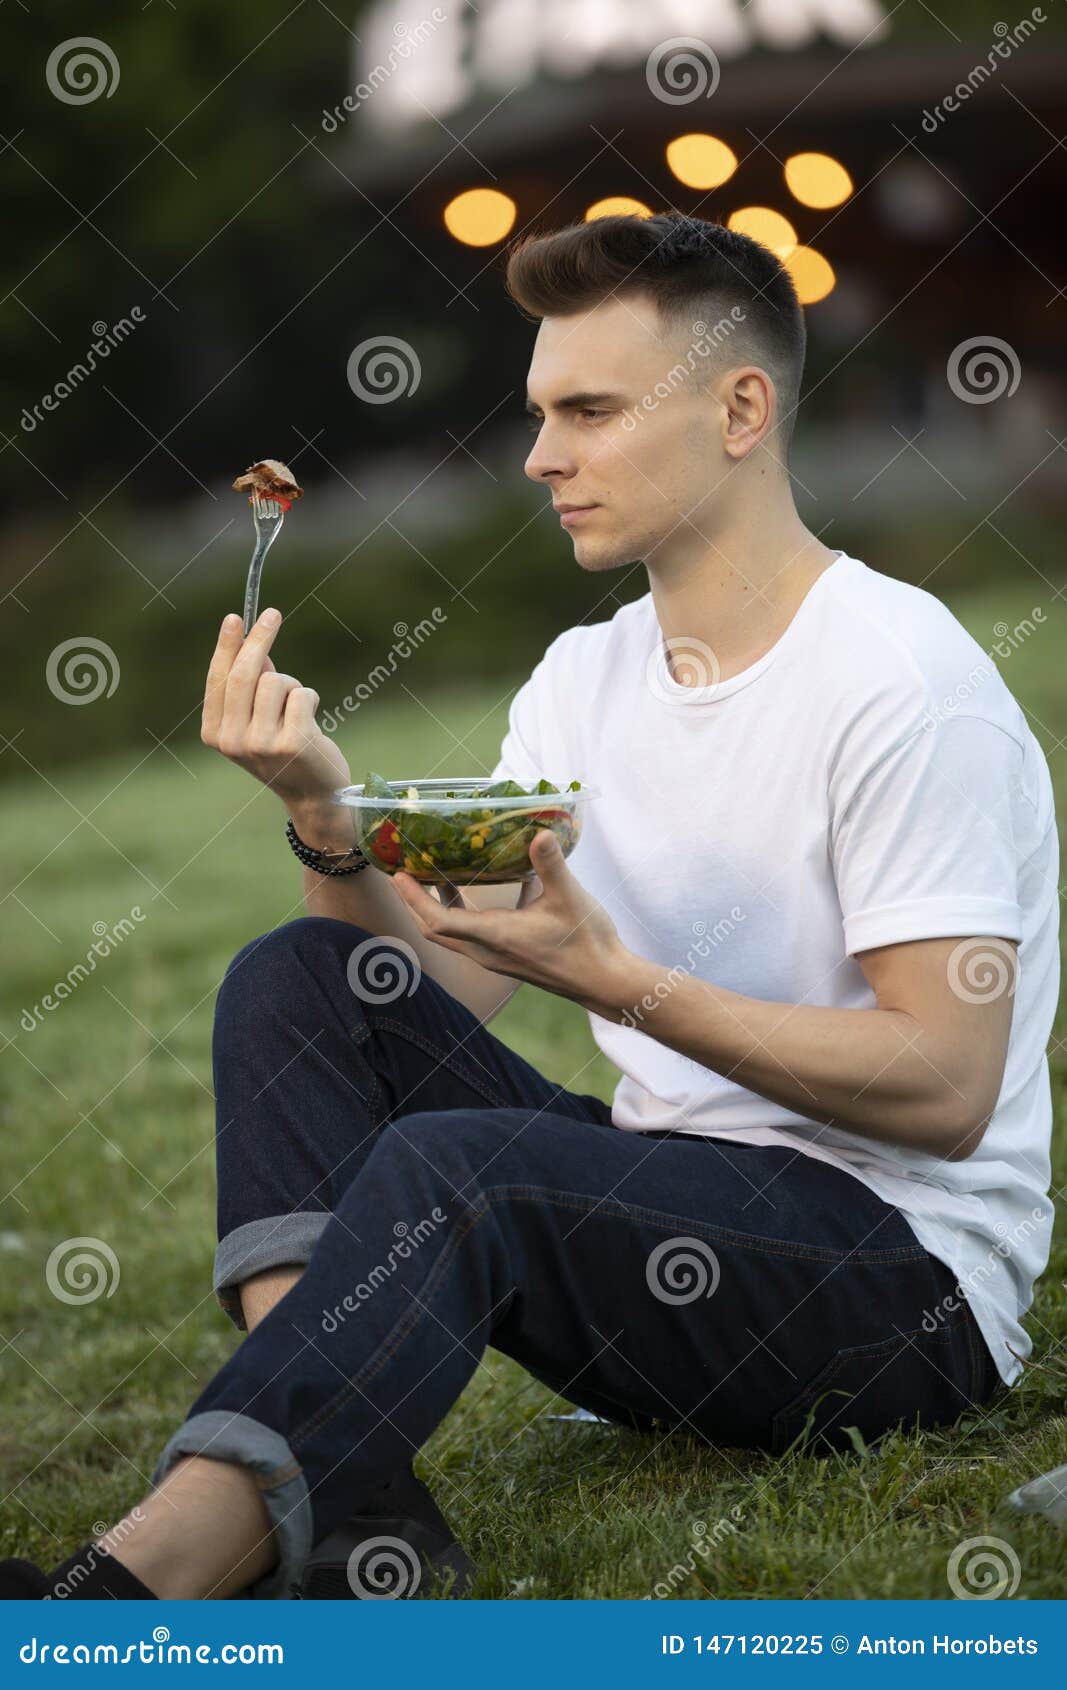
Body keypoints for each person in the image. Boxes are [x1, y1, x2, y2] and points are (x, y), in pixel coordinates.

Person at [3, 211, 1058, 1602]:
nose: (541, 453)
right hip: (675, 1214)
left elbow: (948, 1086)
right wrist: (326, 813)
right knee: (296, 980)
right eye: (539, 411)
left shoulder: (901, 683)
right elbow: (430, 985)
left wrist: (623, 984)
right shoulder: (583, 677)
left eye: (591, 410)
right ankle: (356, 1506)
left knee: (464, 1169)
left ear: (743, 410)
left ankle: (134, 1583)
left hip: (892, 1285)